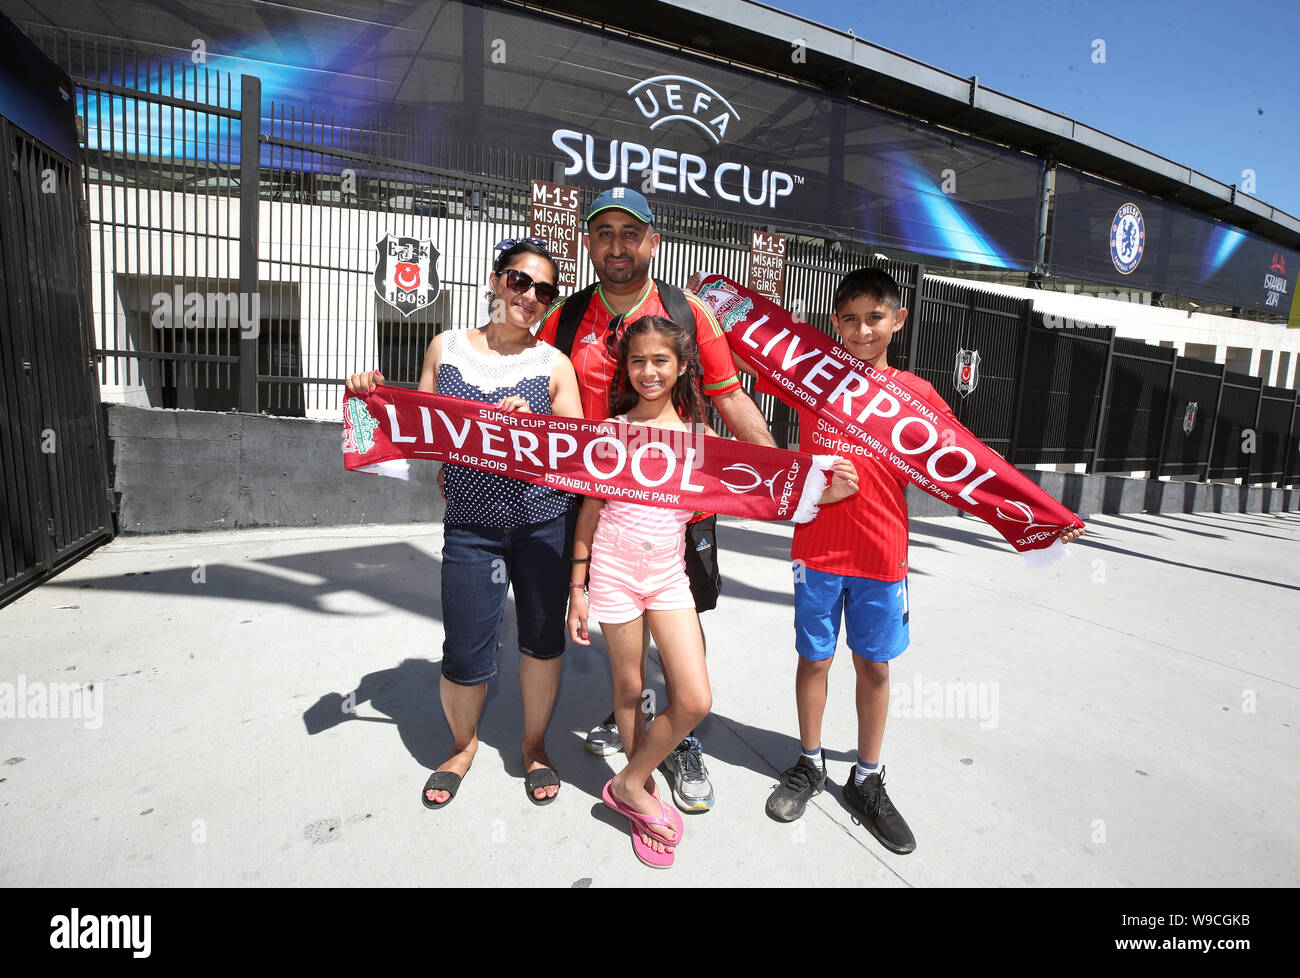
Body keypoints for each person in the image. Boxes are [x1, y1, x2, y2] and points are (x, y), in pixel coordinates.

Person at [753, 268, 1084, 854]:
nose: (861, 330)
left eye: (874, 318)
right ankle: (809, 763)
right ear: (835, 322)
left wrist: (1040, 515)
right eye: (849, 319)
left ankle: (867, 778)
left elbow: (974, 470)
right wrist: (710, 298)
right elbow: (742, 351)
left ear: (898, 321)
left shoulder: (917, 397)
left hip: (883, 556)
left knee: (874, 668)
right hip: (817, 550)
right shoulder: (810, 379)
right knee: (814, 661)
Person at [566, 316, 856, 867]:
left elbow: (767, 490)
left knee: (696, 698)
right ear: (625, 369)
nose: (648, 372)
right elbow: (590, 509)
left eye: (660, 361)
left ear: (680, 367)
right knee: (627, 690)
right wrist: (578, 588)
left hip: (669, 577)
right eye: (637, 361)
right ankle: (643, 797)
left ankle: (627, 782)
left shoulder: (703, 442)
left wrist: (827, 493)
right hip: (612, 572)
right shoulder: (609, 431)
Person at [537, 186, 777, 814]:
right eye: (604, 233)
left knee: (682, 628)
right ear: (588, 242)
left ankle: (681, 739)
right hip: (588, 505)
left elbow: (728, 397)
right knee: (618, 632)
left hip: (679, 514)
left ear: (652, 241)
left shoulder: (687, 311)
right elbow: (526, 392)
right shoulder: (562, 318)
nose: (617, 245)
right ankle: (637, 724)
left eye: (630, 232)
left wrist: (785, 471)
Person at [346, 238, 584, 809]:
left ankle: (533, 748)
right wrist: (372, 396)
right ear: (497, 280)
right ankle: (461, 746)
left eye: (545, 291)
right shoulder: (445, 346)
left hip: (542, 523)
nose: (530, 297)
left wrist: (537, 428)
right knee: (464, 644)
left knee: (542, 642)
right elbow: (423, 432)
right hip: (471, 525)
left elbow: (579, 453)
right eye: (520, 281)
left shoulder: (554, 364)